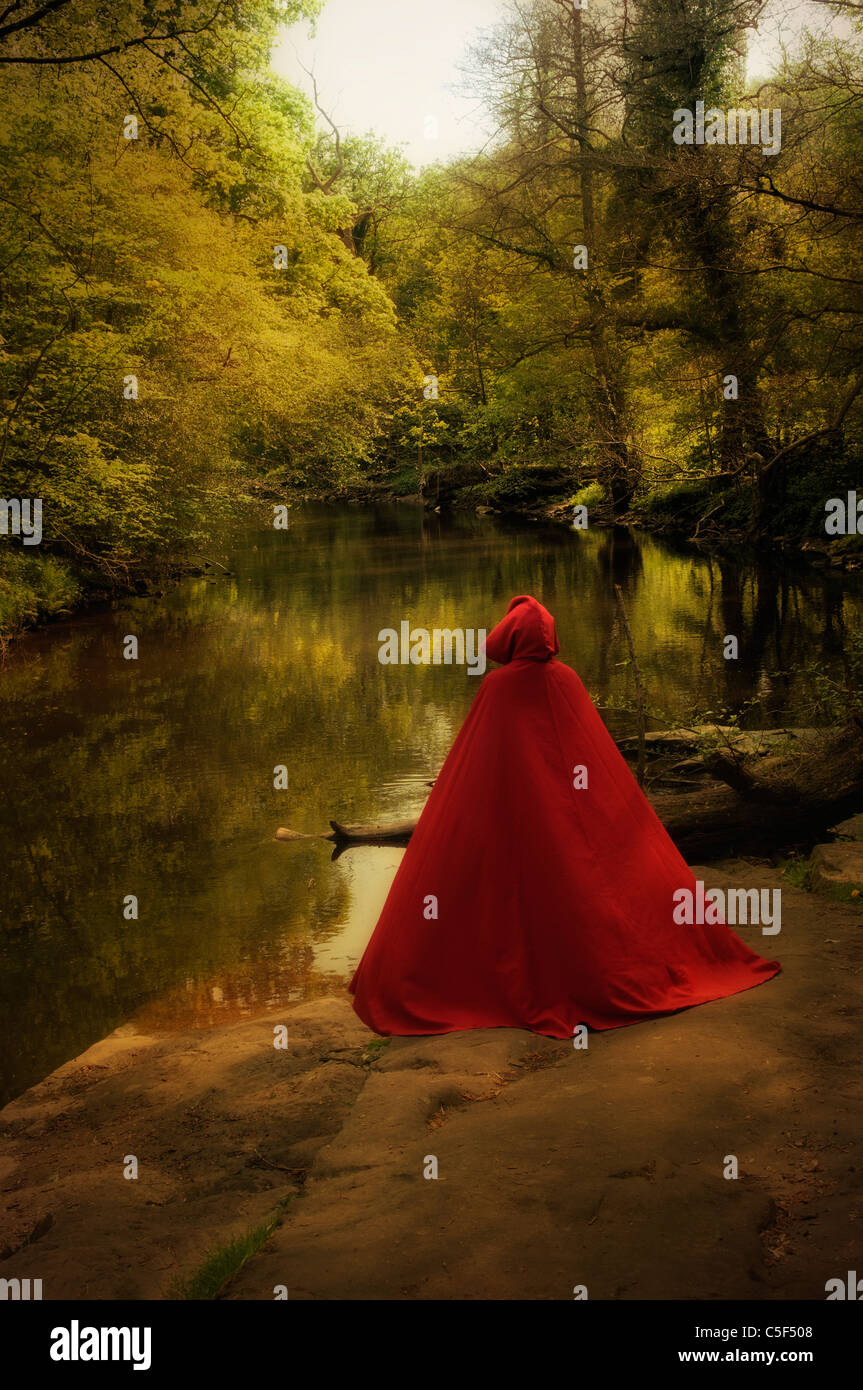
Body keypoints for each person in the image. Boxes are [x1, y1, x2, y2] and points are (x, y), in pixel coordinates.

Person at [349, 594, 780, 1038]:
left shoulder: (499, 687)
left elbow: (478, 767)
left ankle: (444, 982)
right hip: (570, 814)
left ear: (510, 640)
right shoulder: (566, 679)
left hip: (515, 819)